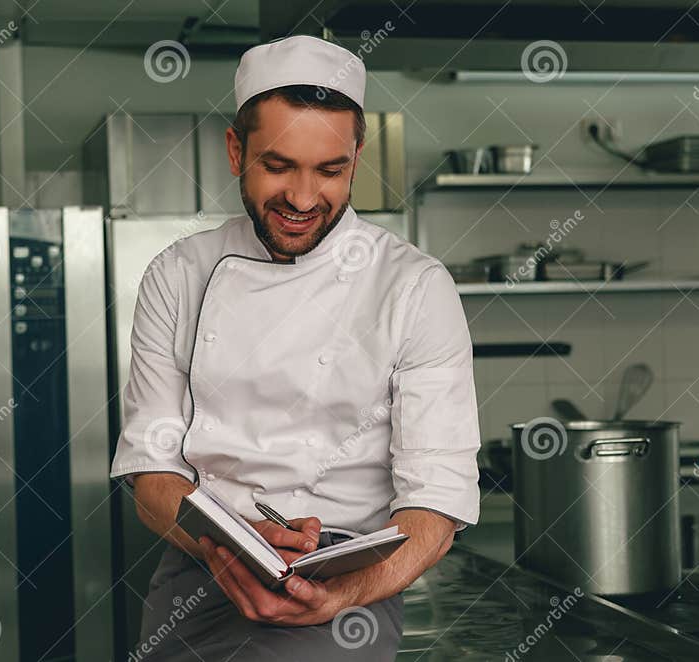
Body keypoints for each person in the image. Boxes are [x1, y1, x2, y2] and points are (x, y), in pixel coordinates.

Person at [110, 34, 480, 661]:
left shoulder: (414, 287)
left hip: (344, 581)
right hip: (198, 572)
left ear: (356, 158)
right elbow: (151, 471)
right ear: (236, 151)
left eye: (329, 170)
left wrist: (341, 596)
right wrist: (225, 546)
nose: (304, 199)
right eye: (278, 166)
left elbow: (435, 503)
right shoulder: (178, 273)